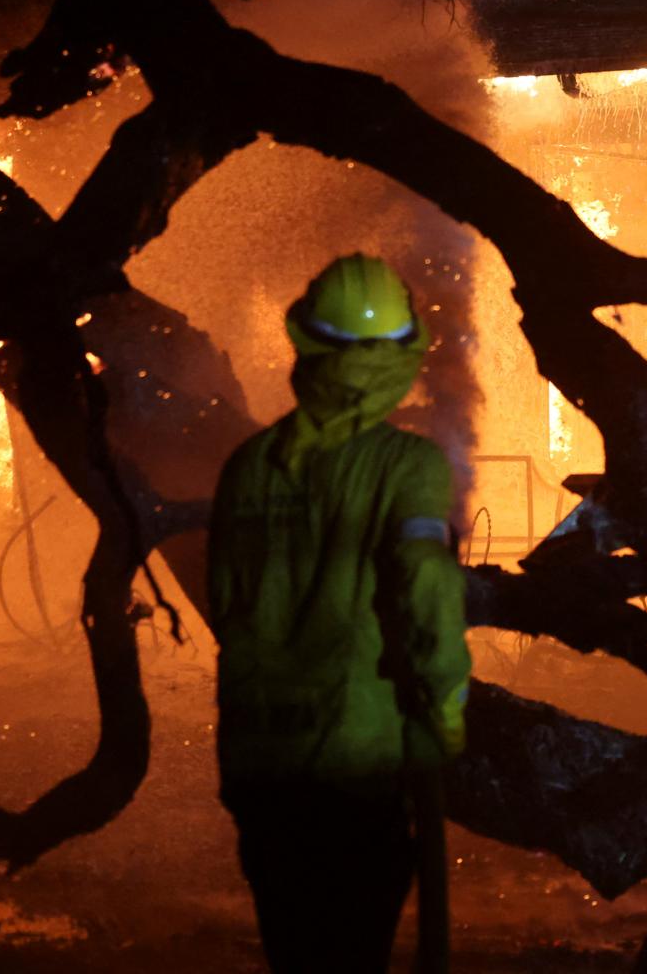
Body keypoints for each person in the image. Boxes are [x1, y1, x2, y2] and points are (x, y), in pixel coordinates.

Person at [206, 253, 471, 973]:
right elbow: (425, 586)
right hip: (356, 764)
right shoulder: (410, 466)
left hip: (259, 763)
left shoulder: (248, 466)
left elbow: (225, 605)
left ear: (307, 343)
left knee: (295, 954)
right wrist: (446, 710)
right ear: (404, 352)